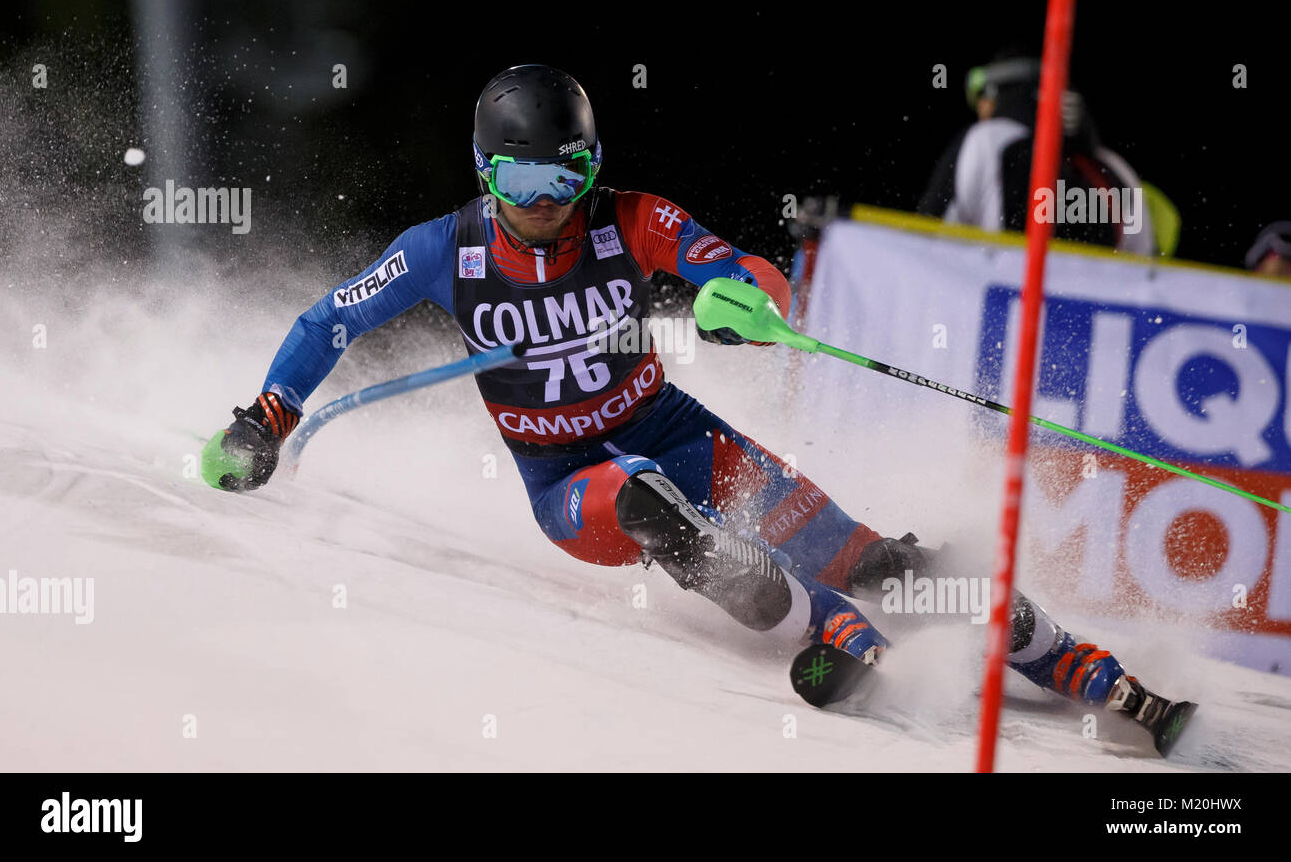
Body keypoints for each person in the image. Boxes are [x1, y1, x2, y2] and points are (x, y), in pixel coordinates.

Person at [202, 64, 1177, 738]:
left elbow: (746, 268)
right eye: (524, 181)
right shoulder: (439, 251)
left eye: (567, 178)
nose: (548, 206)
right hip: (569, 481)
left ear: (592, 167)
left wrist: (743, 300)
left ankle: (1082, 666)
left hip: (677, 431)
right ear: (484, 173)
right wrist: (266, 416)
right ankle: (818, 624)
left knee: (875, 557)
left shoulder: (632, 219)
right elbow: (330, 320)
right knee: (645, 504)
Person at [918, 47, 1156, 256]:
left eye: (981, 99)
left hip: (1006, 300)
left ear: (996, 96)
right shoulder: (1117, 168)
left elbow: (929, 244)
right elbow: (1144, 274)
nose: (980, 111)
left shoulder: (985, 140)